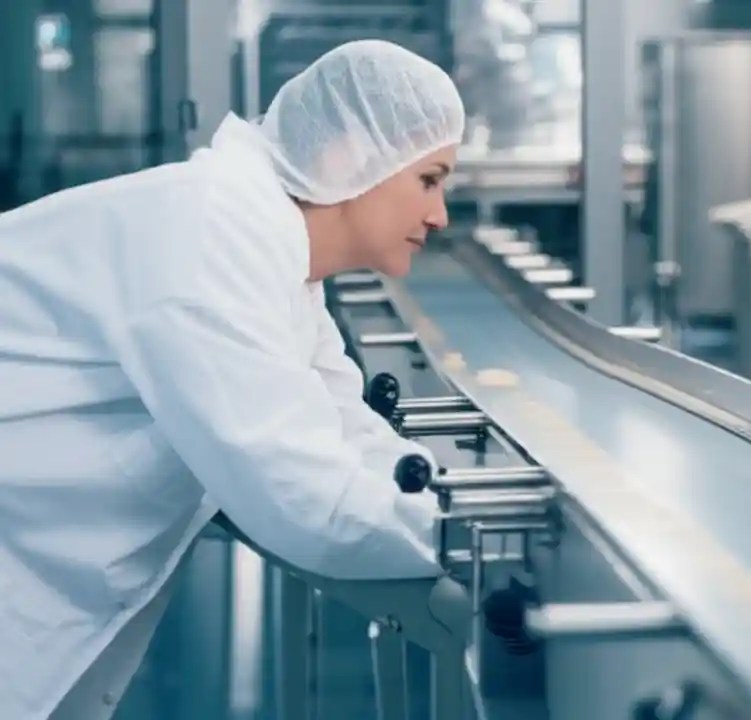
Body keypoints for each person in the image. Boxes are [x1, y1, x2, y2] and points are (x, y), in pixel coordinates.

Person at [0, 39, 463, 718]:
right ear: (349, 158)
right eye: (430, 179)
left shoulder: (268, 248)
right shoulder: (211, 236)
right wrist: (469, 537)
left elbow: (340, 424)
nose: (440, 214)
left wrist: (450, 497)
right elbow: (302, 497)